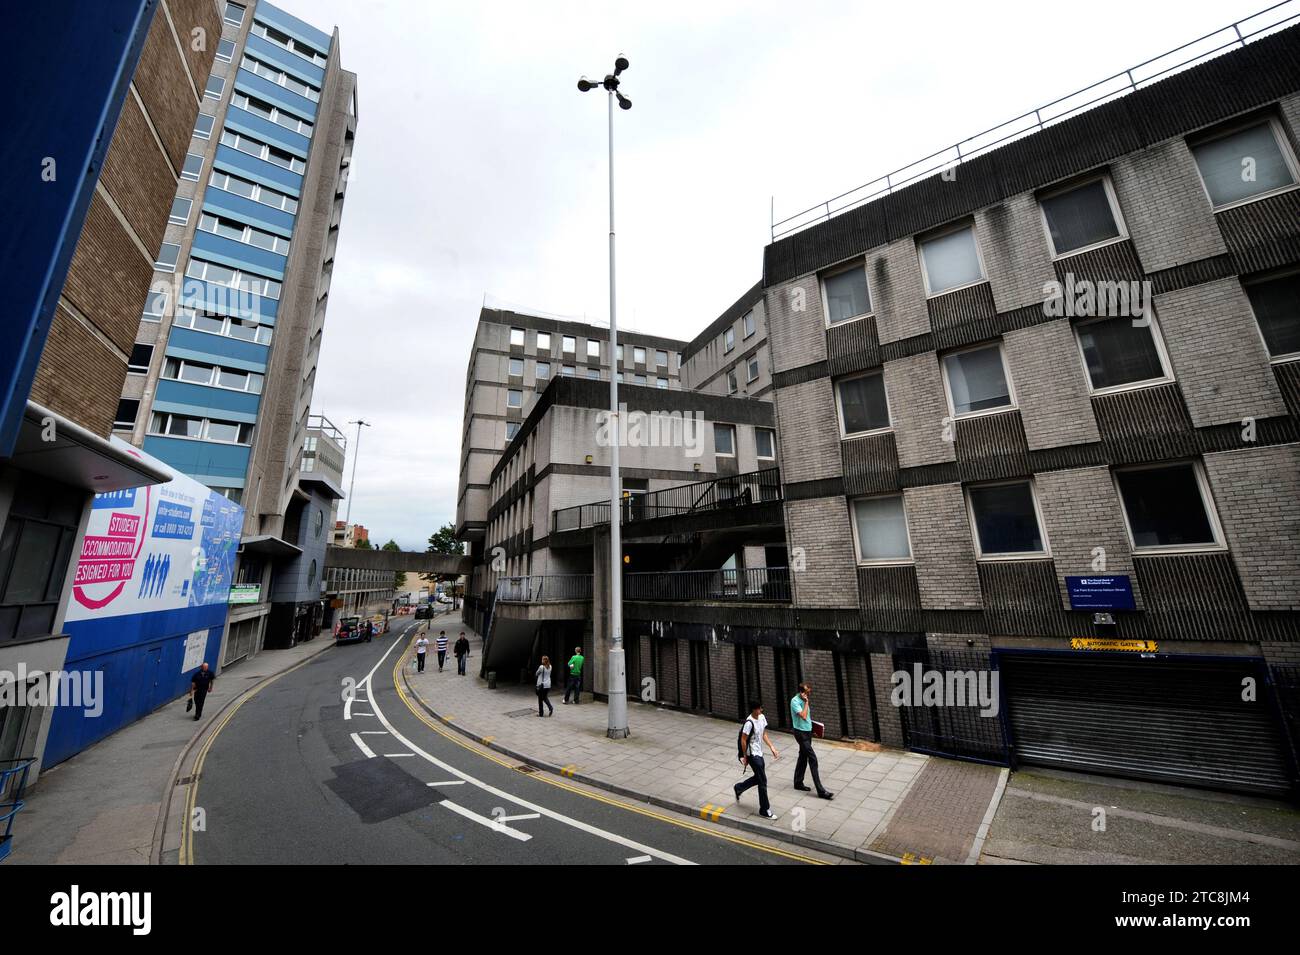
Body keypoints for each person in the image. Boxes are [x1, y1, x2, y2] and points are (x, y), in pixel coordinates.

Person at [734, 701, 779, 818]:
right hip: (753, 755)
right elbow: (743, 740)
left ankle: (739, 787)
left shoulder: (762, 717)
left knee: (759, 778)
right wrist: (745, 756)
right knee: (763, 781)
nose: (761, 710)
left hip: (760, 753)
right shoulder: (749, 723)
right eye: (759, 709)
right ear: (754, 710)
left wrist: (772, 747)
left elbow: (764, 734)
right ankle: (764, 810)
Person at [791, 682, 834, 800]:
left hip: (807, 732)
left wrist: (813, 728)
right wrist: (806, 703)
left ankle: (798, 783)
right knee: (812, 758)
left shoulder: (804, 699)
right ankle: (821, 791)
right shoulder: (795, 701)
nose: (808, 695)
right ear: (801, 692)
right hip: (800, 733)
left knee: (803, 757)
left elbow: (807, 718)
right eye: (807, 693)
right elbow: (803, 716)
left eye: (809, 692)